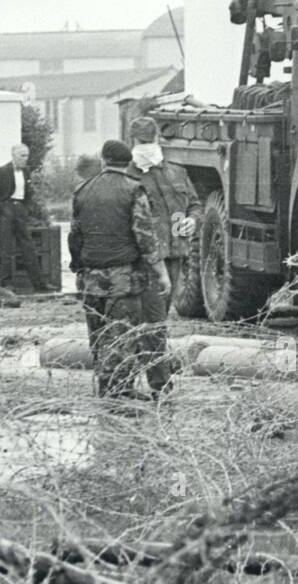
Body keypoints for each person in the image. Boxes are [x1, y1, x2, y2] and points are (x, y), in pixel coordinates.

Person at [69, 139, 169, 401]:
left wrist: (79, 267)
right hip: (123, 278)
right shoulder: (133, 190)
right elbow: (145, 236)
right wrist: (161, 272)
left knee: (99, 335)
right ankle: (119, 392)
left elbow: (75, 236)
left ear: (103, 160)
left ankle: (105, 388)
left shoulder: (82, 190)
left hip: (91, 277)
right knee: (122, 336)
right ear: (129, 163)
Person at [126, 115, 202, 396]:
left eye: (150, 140)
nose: (147, 145)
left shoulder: (176, 172)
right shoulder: (128, 177)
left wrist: (193, 220)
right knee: (151, 321)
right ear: (134, 142)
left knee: (158, 319)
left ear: (158, 139)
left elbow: (194, 204)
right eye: (143, 141)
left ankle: (149, 372)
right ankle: (158, 382)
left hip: (176, 255)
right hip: (147, 261)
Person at [0, 144, 53, 293]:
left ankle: (39, 284)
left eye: (26, 156)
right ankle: (6, 284)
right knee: (6, 248)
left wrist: (26, 208)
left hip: (20, 210)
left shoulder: (26, 172)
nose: (25, 159)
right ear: (13, 156)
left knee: (28, 247)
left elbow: (28, 194)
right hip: (7, 210)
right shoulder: (1, 172)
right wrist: (3, 210)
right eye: (22, 156)